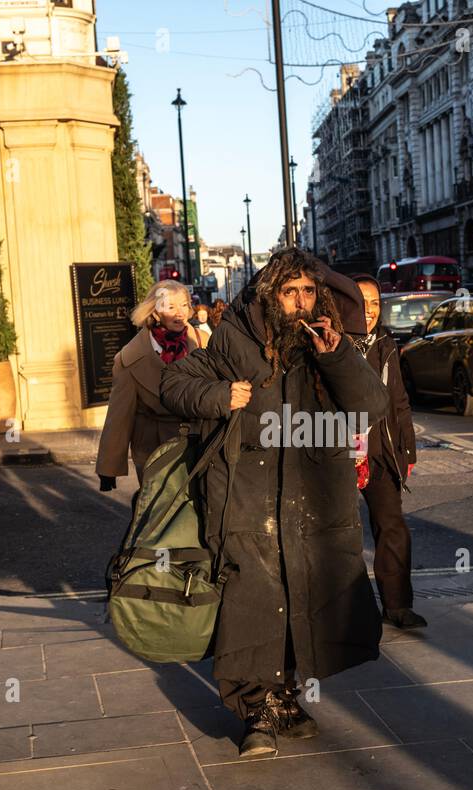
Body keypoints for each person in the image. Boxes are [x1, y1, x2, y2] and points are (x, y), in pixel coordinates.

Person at [159, 247, 390, 757]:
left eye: (309, 291)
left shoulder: (331, 340)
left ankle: (285, 695)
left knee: (302, 593)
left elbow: (373, 405)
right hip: (246, 492)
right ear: (271, 294)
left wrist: (337, 356)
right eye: (290, 293)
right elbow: (174, 383)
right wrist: (221, 397)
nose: (301, 303)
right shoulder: (234, 337)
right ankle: (254, 709)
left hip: (312, 494)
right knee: (252, 597)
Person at [350, 275, 425, 631]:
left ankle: (397, 606)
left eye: (375, 303)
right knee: (342, 533)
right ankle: (344, 612)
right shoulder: (330, 343)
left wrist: (407, 449)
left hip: (382, 450)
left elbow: (399, 401)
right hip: (343, 451)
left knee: (392, 526)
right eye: (361, 302)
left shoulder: (386, 343)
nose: (369, 311)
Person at [95, 279, 202, 490]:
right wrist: (108, 469)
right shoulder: (130, 358)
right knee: (159, 514)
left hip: (198, 442)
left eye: (184, 305)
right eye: (171, 307)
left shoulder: (203, 342)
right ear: (155, 312)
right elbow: (119, 416)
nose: (180, 313)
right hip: (154, 448)